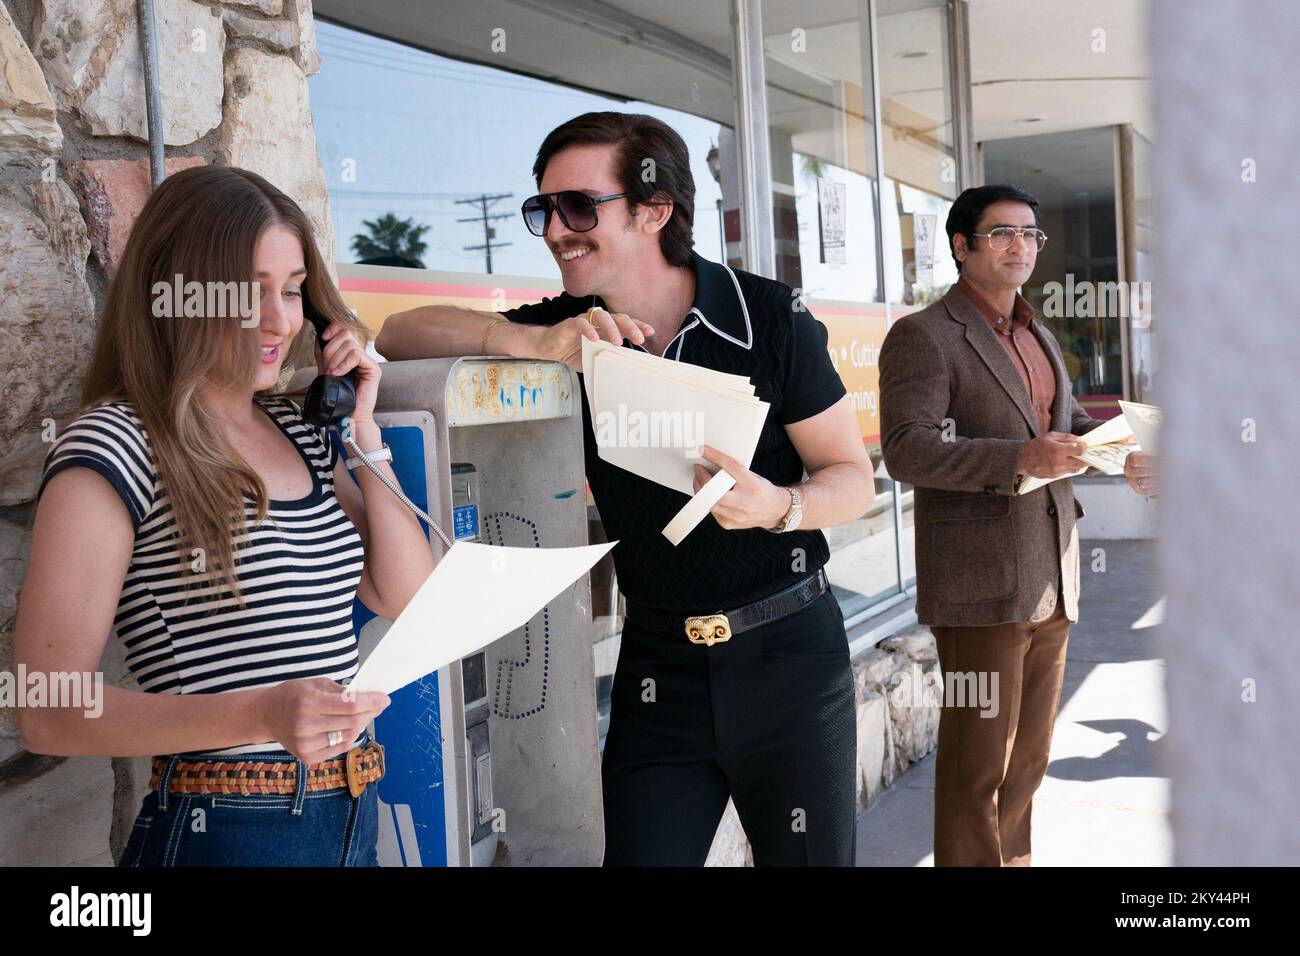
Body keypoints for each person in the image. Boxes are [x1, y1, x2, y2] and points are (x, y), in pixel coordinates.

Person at [377, 112, 874, 866]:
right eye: (542, 210)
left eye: (580, 207)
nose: (554, 230)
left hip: (790, 661)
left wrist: (780, 506)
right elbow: (398, 334)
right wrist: (527, 342)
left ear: (654, 210)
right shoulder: (568, 329)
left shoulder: (772, 317)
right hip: (657, 670)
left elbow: (853, 478)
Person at [14, 165, 433, 867]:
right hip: (227, 824)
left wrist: (361, 427)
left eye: (295, 291)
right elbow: (47, 710)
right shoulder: (116, 445)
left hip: (351, 810)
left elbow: (405, 593)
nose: (279, 320)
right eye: (249, 292)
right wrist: (262, 713)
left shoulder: (299, 432)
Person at [879, 183, 1154, 867]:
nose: (1020, 246)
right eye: (1001, 233)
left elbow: (1066, 433)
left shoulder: (1036, 334)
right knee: (979, 767)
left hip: (1053, 574)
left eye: (1031, 234)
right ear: (961, 246)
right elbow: (907, 449)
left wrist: (1126, 454)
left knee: (1028, 763)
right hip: (980, 587)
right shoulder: (924, 336)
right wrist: (1018, 458)